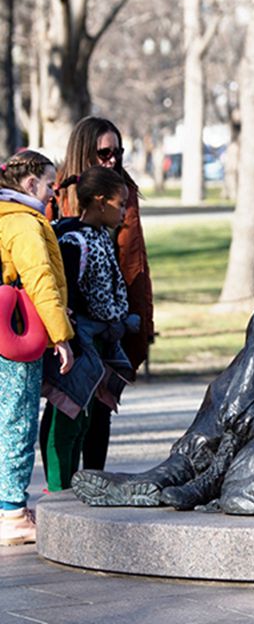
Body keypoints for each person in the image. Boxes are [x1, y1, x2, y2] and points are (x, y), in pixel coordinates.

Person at [50, 116, 154, 471]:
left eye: (117, 153)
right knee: (66, 403)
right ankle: (60, 486)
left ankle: (95, 477)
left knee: (103, 403)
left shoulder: (124, 193)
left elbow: (134, 263)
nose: (112, 160)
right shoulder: (59, 193)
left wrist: (134, 320)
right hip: (74, 321)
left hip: (113, 317)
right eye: (104, 153)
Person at [40, 167, 133, 493]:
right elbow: (64, 293)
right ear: (100, 201)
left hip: (99, 342)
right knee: (67, 415)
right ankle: (58, 489)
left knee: (84, 418)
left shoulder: (101, 238)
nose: (124, 212)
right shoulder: (73, 241)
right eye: (120, 204)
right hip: (77, 343)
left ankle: (74, 488)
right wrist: (71, 334)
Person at [0, 150, 74, 546]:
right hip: (15, 335)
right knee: (17, 421)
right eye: (49, 185)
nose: (52, 194)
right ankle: (13, 515)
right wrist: (61, 336)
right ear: (30, 184)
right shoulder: (24, 224)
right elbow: (40, 281)